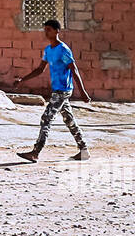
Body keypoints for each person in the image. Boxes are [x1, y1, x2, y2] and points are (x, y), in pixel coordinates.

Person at [14, 19, 90, 162]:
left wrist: (82, 91)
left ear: (57, 31)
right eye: (45, 29)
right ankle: (84, 150)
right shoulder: (48, 50)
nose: (46, 32)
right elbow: (40, 69)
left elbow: (74, 70)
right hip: (57, 90)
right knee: (69, 120)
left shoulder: (64, 50)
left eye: (49, 29)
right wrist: (23, 80)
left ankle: (36, 152)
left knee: (46, 118)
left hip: (63, 90)